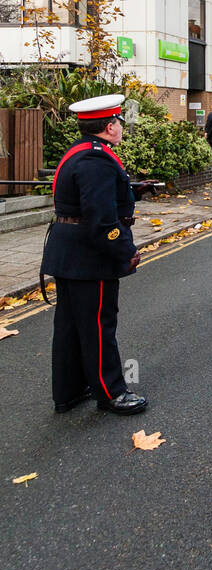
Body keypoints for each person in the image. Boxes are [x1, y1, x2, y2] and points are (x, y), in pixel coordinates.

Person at [40, 94, 149, 416]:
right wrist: (125, 250)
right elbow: (100, 218)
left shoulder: (81, 151)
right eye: (117, 122)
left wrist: (132, 191)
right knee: (99, 326)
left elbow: (83, 199)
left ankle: (69, 390)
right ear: (109, 126)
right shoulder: (96, 160)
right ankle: (111, 392)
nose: (119, 127)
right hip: (89, 256)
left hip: (69, 250)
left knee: (72, 325)